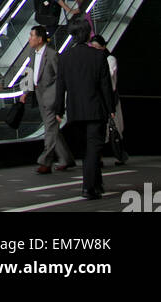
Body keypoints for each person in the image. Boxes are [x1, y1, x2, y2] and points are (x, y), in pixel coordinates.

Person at [54, 18, 114, 199]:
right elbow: (105, 86)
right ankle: (89, 187)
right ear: (89, 34)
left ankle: (96, 184)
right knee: (94, 148)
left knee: (87, 150)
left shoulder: (64, 58)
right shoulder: (98, 56)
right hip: (96, 109)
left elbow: (60, 86)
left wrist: (59, 110)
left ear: (72, 36)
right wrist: (111, 108)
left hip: (75, 111)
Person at [18, 26, 75, 174]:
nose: (29, 38)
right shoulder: (32, 53)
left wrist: (59, 96)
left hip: (51, 96)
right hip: (39, 94)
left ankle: (45, 161)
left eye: (31, 35)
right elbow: (30, 72)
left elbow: (61, 77)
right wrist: (25, 92)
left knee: (50, 128)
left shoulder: (52, 54)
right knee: (52, 128)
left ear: (40, 39)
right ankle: (65, 158)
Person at [89, 33, 124, 156]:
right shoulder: (93, 60)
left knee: (115, 126)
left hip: (110, 97)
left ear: (103, 47)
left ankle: (119, 152)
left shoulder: (110, 59)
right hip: (98, 97)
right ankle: (100, 156)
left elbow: (107, 78)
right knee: (100, 129)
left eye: (97, 47)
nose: (94, 50)